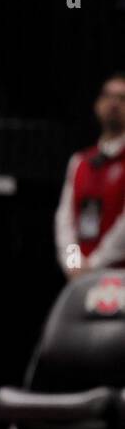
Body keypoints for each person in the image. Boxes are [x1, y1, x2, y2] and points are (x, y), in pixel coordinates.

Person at [55, 72, 125, 276]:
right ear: (97, 104)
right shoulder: (80, 161)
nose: (113, 104)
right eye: (108, 96)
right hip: (80, 274)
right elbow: (65, 220)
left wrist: (92, 264)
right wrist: (73, 262)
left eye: (122, 99)